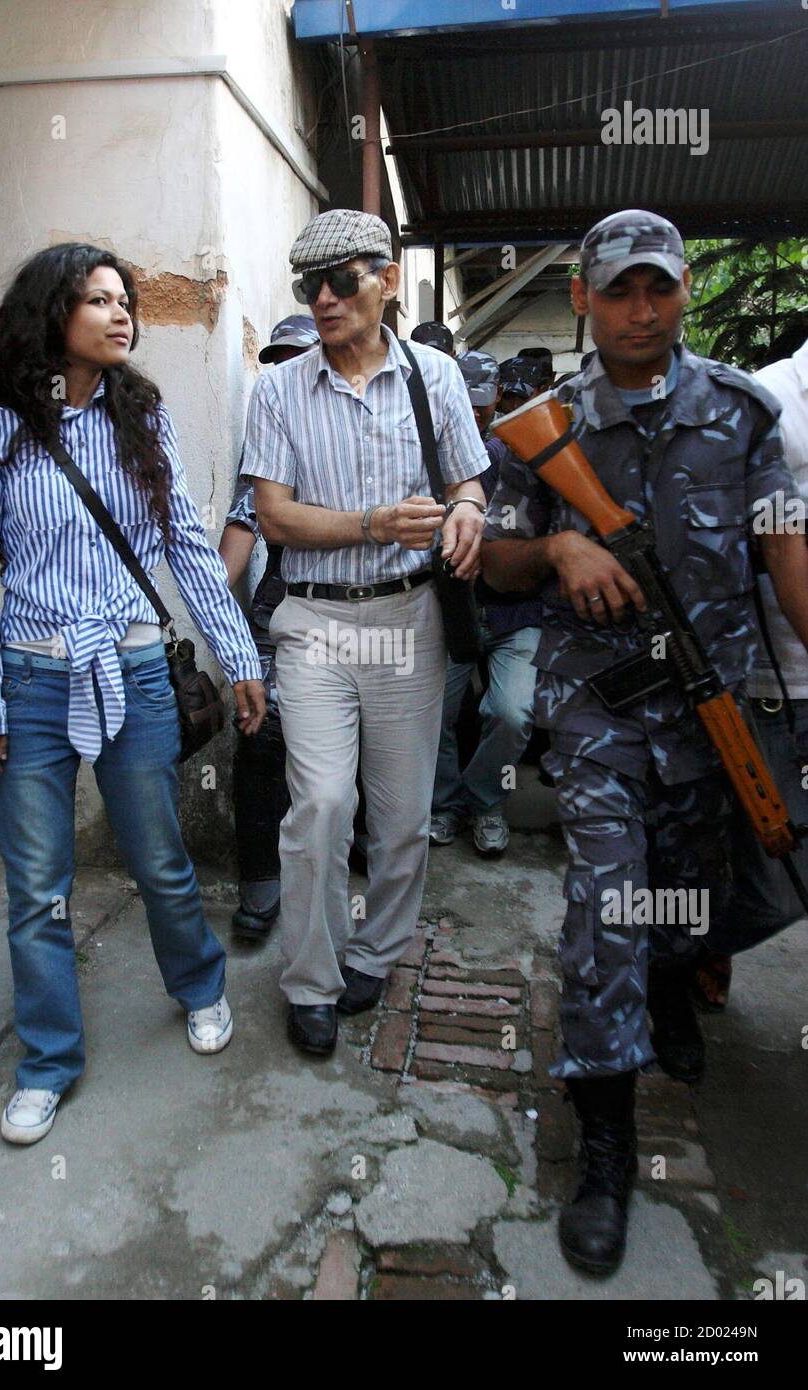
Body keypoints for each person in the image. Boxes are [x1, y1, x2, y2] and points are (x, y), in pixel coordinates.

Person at [481, 210, 808, 1276]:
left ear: (683, 293)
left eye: (657, 289)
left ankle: (674, 985)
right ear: (583, 294)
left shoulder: (746, 414)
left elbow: (785, 552)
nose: (639, 310)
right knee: (607, 903)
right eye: (618, 289)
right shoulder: (545, 420)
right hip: (598, 706)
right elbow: (490, 560)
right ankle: (607, 1144)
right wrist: (561, 545)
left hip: (709, 702)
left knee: (689, 882)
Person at [0, 244, 265, 1145]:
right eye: (99, 300)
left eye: (125, 300)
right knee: (37, 886)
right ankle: (47, 1062)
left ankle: (199, 986)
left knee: (160, 857)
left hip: (131, 669)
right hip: (31, 678)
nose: (122, 314)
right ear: (53, 315)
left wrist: (236, 651)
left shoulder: (142, 418)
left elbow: (187, 551)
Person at [242, 208, 488, 1057]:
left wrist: (463, 515)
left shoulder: (436, 377)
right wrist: (374, 522)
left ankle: (377, 950)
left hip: (408, 619)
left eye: (339, 280)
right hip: (312, 619)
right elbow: (272, 516)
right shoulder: (278, 387)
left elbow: (468, 484)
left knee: (401, 813)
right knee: (318, 803)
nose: (321, 299)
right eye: (306, 283)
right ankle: (308, 980)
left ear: (385, 279)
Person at [694, 332, 808, 1001]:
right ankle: (688, 949)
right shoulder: (769, 401)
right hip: (769, 682)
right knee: (778, 884)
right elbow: (774, 545)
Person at [219, 316, 319, 941]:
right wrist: (215, 599)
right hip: (280, 612)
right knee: (261, 737)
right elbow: (240, 531)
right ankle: (260, 880)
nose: (283, 372)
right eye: (274, 361)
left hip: (361, 619)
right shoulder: (266, 449)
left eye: (296, 360)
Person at [430, 350, 542, 856]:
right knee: (435, 714)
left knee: (512, 712)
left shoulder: (523, 450)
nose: (475, 413)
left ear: (497, 397)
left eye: (483, 402)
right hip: (450, 608)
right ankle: (445, 805)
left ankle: (485, 801)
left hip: (517, 612)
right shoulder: (428, 451)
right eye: (466, 402)